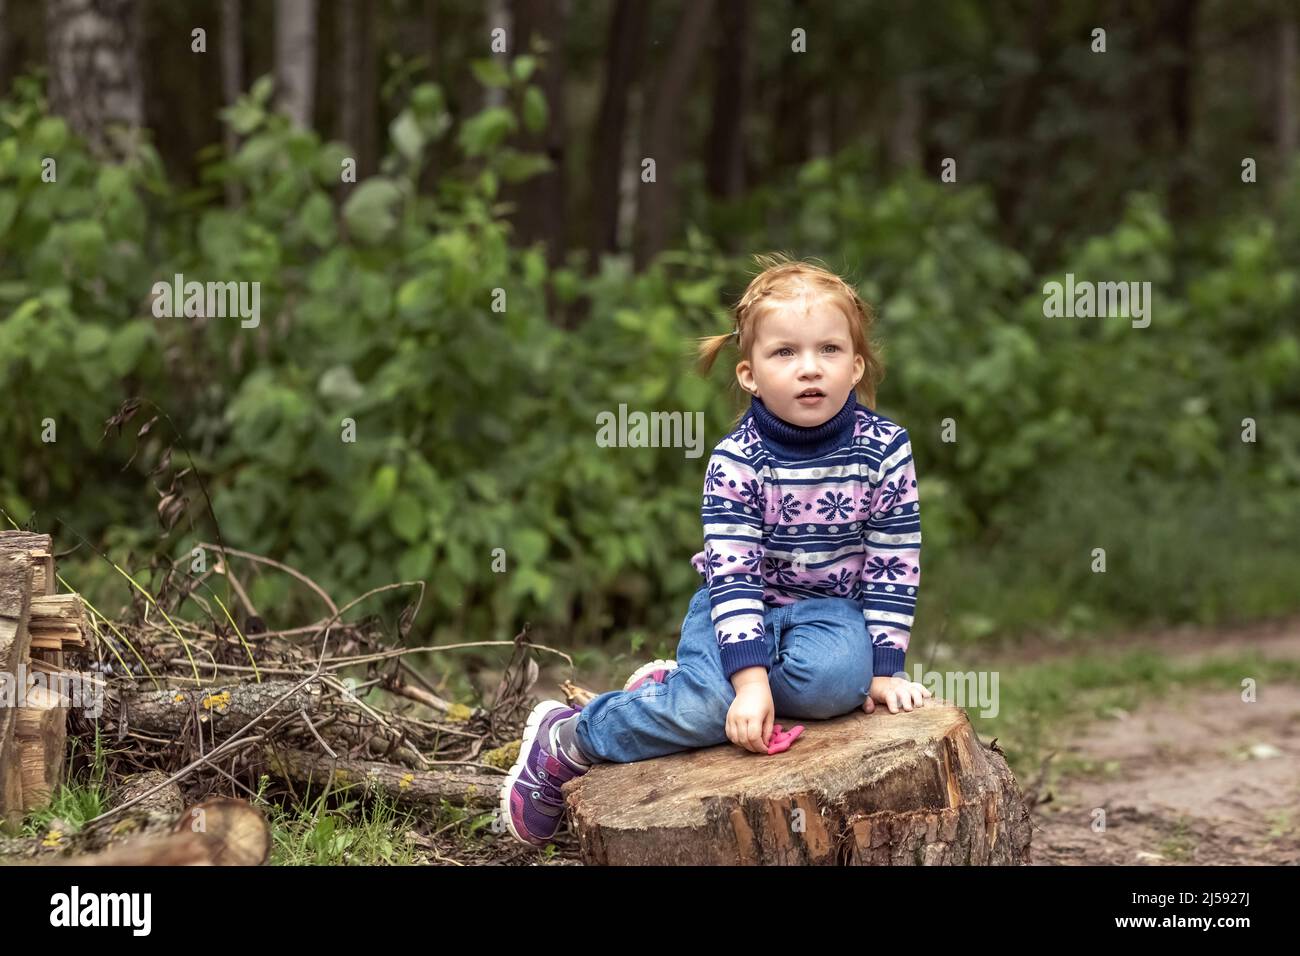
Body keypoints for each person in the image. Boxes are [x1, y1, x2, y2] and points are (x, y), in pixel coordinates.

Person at [500, 253, 931, 848]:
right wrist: (748, 684)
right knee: (710, 712)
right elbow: (734, 577)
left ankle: (680, 687)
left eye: (829, 350)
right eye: (785, 353)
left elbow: (893, 560)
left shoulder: (883, 449)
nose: (810, 369)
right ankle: (573, 737)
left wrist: (885, 669)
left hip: (827, 611)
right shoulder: (737, 461)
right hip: (736, 604)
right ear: (750, 373)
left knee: (840, 685)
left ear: (855, 366)